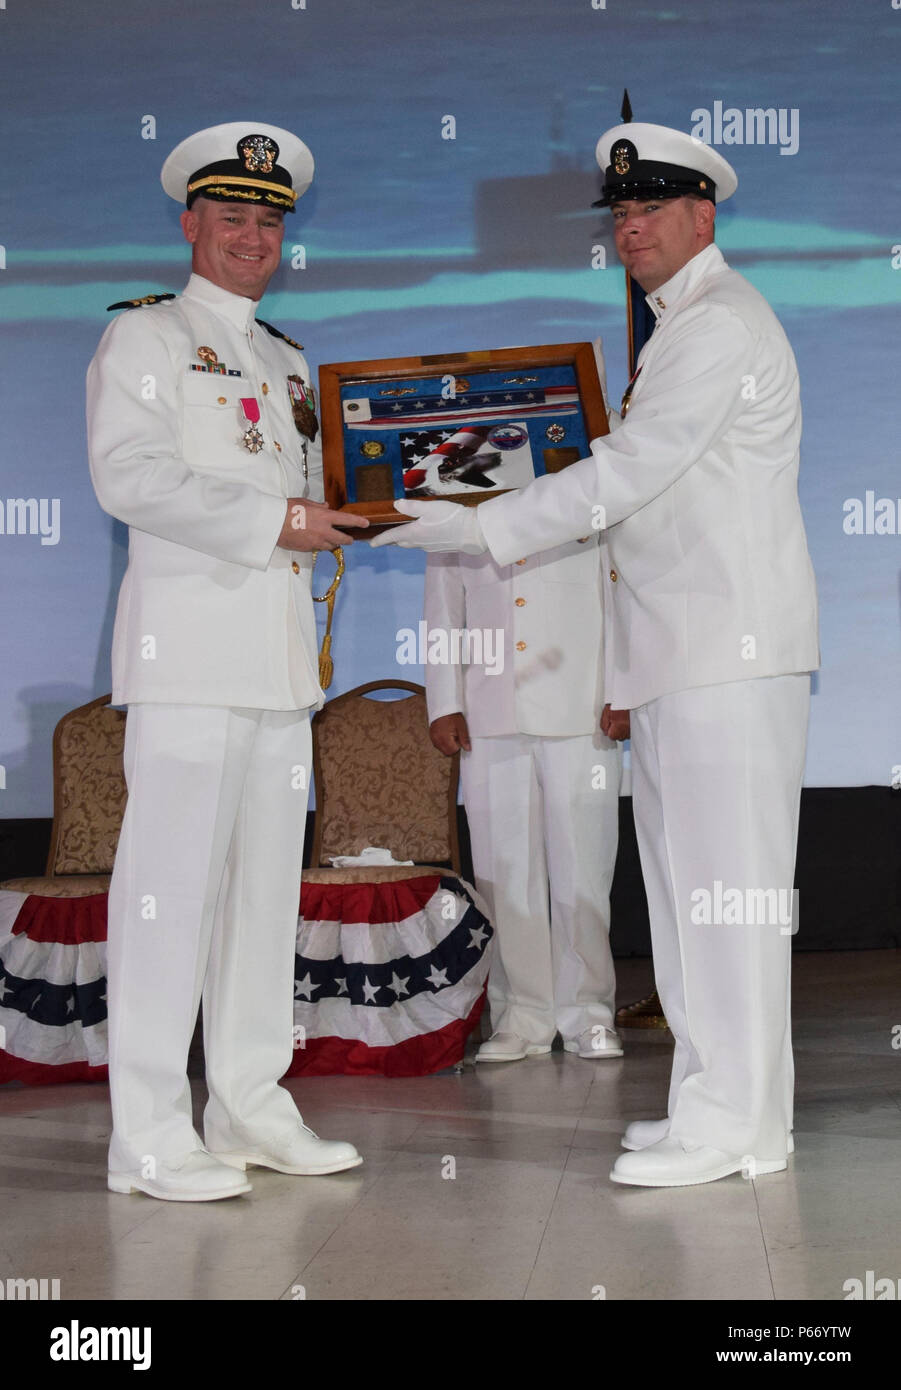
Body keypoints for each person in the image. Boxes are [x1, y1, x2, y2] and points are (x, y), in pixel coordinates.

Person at [373, 122, 819, 1188]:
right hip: (686, 653)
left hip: (723, 650)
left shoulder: (715, 324)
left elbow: (624, 476)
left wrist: (470, 524)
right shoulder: (686, 326)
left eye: (651, 209)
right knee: (687, 896)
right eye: (620, 214)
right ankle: (730, 1115)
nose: (630, 227)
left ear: (702, 217)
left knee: (724, 896)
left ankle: (734, 1120)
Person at [87, 122, 369, 1201]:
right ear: (190, 225)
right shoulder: (147, 340)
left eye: (269, 221)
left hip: (278, 667)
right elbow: (132, 479)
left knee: (261, 900)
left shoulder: (287, 359)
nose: (253, 237)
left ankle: (251, 1104)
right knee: (165, 900)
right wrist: (281, 521)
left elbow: (305, 491)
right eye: (233, 218)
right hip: (189, 659)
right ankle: (148, 1135)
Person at [424, 491, 623, 1062]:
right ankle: (520, 1017)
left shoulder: (588, 483)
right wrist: (444, 701)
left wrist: (621, 688)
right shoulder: (460, 495)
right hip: (489, 713)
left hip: (582, 708)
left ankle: (589, 1013)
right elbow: (444, 608)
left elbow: (617, 594)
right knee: (502, 873)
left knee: (584, 868)